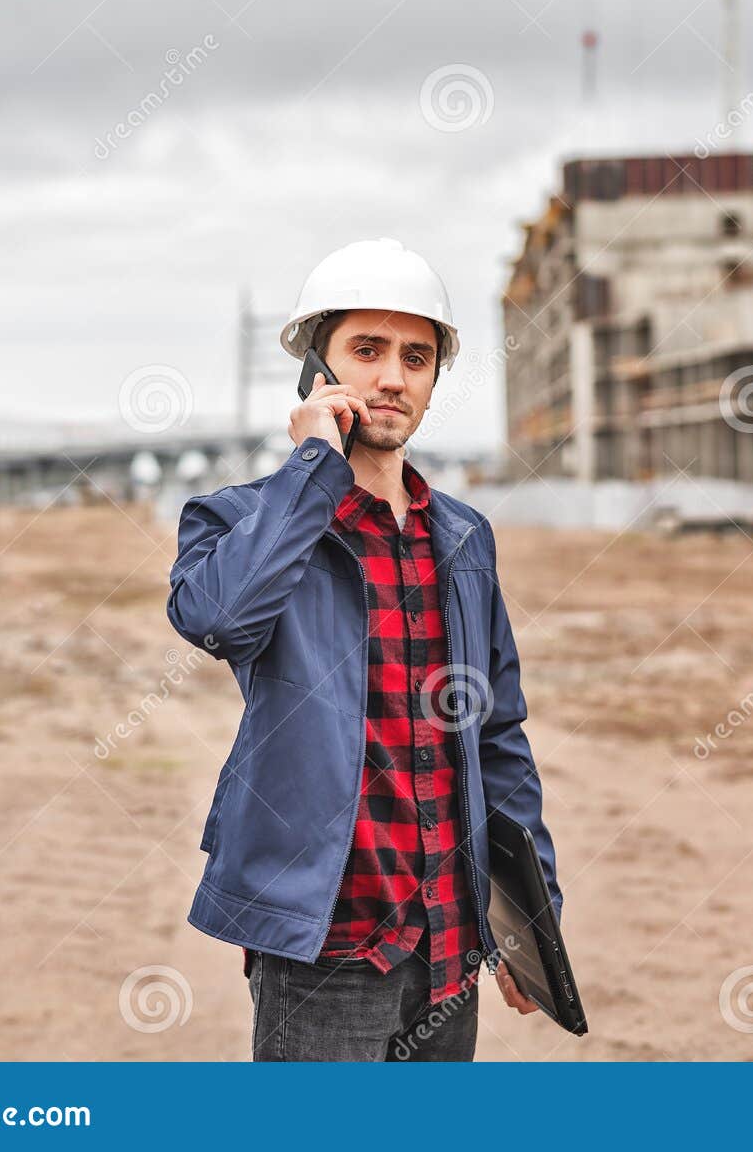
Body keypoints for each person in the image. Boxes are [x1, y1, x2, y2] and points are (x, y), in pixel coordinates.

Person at [165, 237, 563, 1060]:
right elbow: (218, 619)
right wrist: (315, 463)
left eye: (416, 357)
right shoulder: (241, 519)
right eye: (367, 351)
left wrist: (531, 922)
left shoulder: (461, 539)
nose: (393, 378)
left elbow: (497, 737)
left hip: (449, 943)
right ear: (319, 369)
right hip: (327, 943)